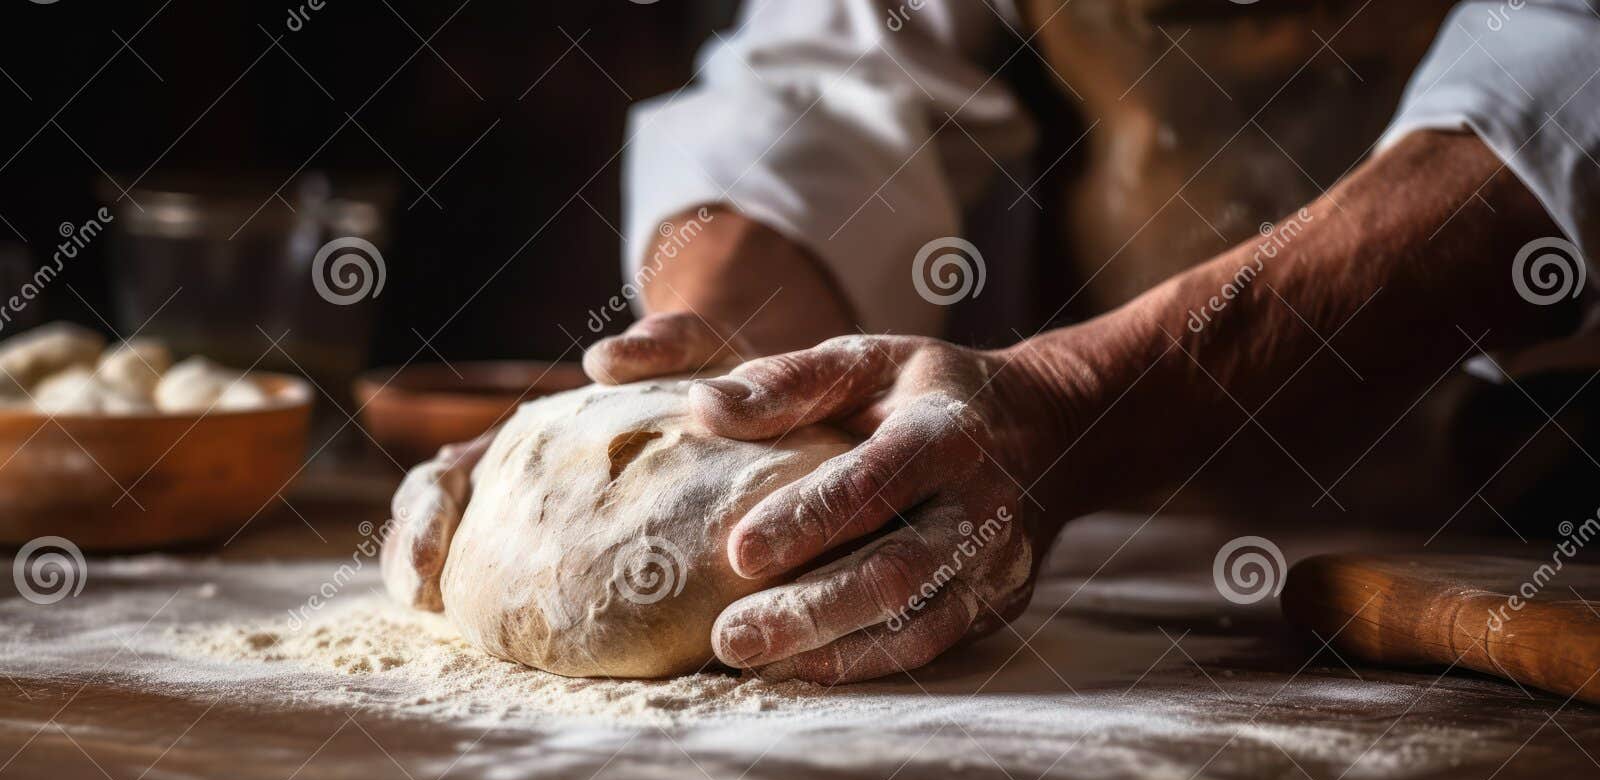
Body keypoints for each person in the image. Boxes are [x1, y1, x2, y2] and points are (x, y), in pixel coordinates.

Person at [383, 1, 1600, 685]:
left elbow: (1563, 93)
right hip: (1143, 552)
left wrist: (1075, 401)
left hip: (1541, 515)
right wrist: (721, 368)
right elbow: (831, 69)